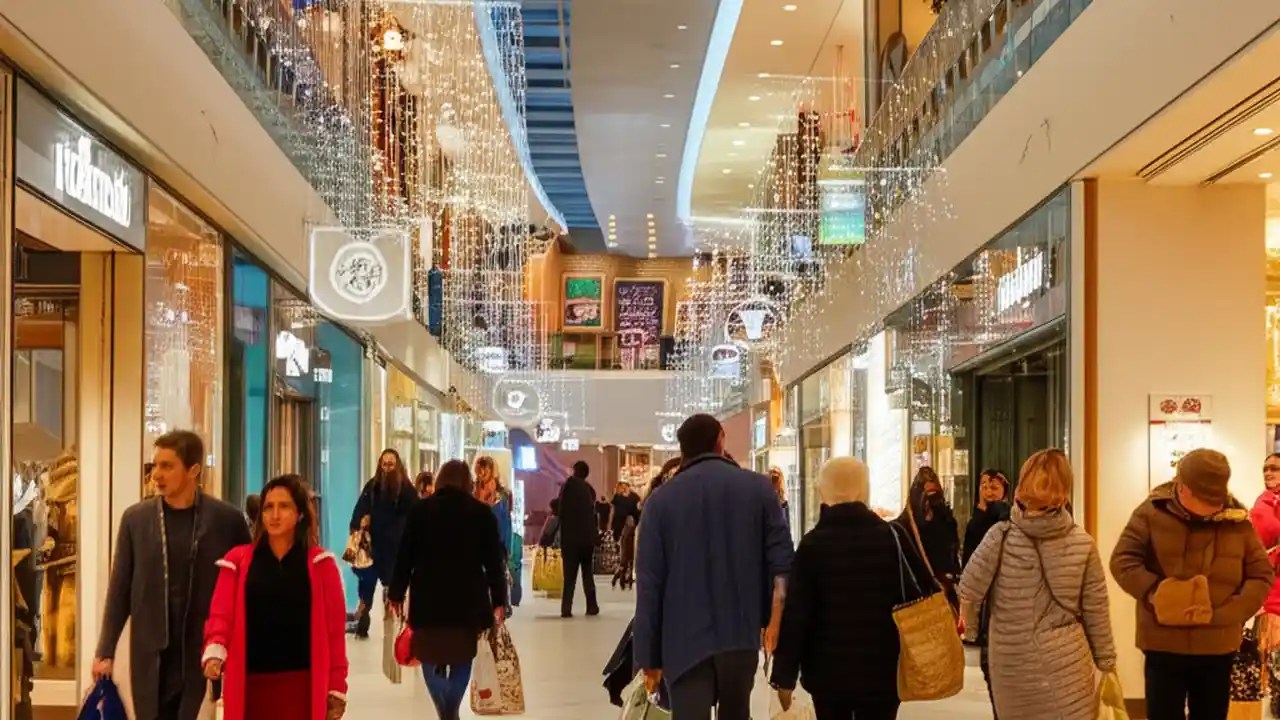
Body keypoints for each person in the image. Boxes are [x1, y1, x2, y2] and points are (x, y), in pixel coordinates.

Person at [635, 414, 794, 720]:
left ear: (682, 450)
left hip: (682, 639)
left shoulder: (660, 502)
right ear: (721, 439)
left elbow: (649, 584)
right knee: (737, 711)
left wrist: (648, 656)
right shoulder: (759, 490)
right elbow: (781, 561)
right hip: (741, 632)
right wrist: (775, 620)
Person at [94, 430, 253, 720]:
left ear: (193, 470)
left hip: (202, 652)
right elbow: (120, 588)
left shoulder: (226, 521)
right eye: (154, 465)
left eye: (167, 466)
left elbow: (246, 587)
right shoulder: (136, 521)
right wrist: (106, 649)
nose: (157, 474)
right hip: (151, 652)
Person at [1111, 448, 1274, 720]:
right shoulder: (1151, 512)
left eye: (1218, 498)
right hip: (1163, 642)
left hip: (1217, 645)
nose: (1216, 505)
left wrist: (1231, 612)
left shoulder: (1237, 522)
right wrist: (1157, 593)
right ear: (1183, 488)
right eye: (1207, 499)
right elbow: (1123, 561)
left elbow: (1261, 575)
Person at [958, 450, 1116, 720]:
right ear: (1064, 493)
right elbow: (1096, 610)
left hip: (1012, 659)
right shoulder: (1082, 543)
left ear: (1021, 488)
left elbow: (969, 590)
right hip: (1068, 663)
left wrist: (972, 633)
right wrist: (1106, 662)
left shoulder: (1001, 536)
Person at [770, 457, 930, 720]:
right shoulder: (891, 537)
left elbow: (797, 616)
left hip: (828, 674)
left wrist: (784, 676)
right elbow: (918, 594)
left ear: (823, 491)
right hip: (883, 670)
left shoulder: (813, 546)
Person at [201, 475, 348, 720]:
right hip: (250, 686)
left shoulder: (321, 565)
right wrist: (215, 649)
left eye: (284, 506)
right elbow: (221, 614)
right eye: (268, 507)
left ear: (300, 514)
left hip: (301, 687)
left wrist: (336, 684)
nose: (275, 514)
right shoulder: (238, 561)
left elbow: (335, 634)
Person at [388, 460, 507, 720]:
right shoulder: (481, 514)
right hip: (468, 601)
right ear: (468, 483)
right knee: (463, 655)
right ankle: (451, 706)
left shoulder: (420, 512)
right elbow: (493, 563)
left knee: (428, 654)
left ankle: (444, 709)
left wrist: (396, 593)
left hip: (428, 600)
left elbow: (404, 556)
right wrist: (499, 600)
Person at [348, 449, 418, 638]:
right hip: (372, 547)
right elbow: (358, 512)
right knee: (367, 584)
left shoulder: (407, 491)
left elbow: (415, 519)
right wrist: (360, 524)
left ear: (398, 466)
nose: (387, 469)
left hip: (395, 550)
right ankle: (363, 619)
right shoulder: (372, 487)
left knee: (392, 588)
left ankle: (394, 625)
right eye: (384, 464)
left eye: (391, 464)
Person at [896, 466, 961, 607]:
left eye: (934, 496)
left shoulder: (945, 519)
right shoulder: (904, 527)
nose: (929, 502)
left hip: (945, 592)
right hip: (917, 597)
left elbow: (952, 554)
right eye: (926, 496)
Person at [557, 460, 600, 617]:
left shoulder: (568, 486)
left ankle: (566, 608)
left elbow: (561, 511)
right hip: (587, 539)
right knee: (587, 573)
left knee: (570, 576)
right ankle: (592, 605)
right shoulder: (589, 490)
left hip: (571, 538)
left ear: (575, 470)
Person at [474, 456, 515, 613]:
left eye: (486, 468)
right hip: (476, 545)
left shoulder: (502, 494)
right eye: (480, 468)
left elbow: (506, 521)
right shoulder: (472, 491)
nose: (483, 472)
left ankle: (500, 609)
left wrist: (506, 547)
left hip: (497, 544)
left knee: (497, 579)